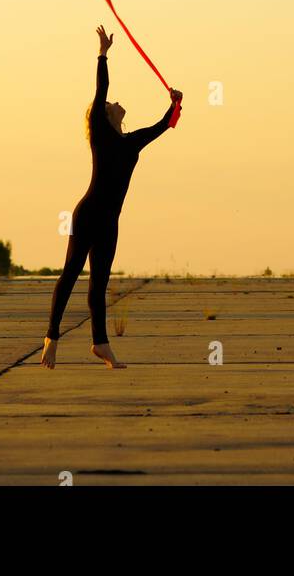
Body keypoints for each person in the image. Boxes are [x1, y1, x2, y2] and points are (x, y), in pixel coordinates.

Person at [40, 25, 181, 369]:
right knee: (71, 274)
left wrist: (176, 102)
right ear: (104, 115)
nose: (117, 103)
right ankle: (51, 338)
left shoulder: (131, 142)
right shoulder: (102, 136)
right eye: (111, 104)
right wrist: (103, 54)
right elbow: (102, 88)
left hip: (109, 222)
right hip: (87, 214)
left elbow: (164, 125)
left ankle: (100, 345)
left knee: (99, 284)